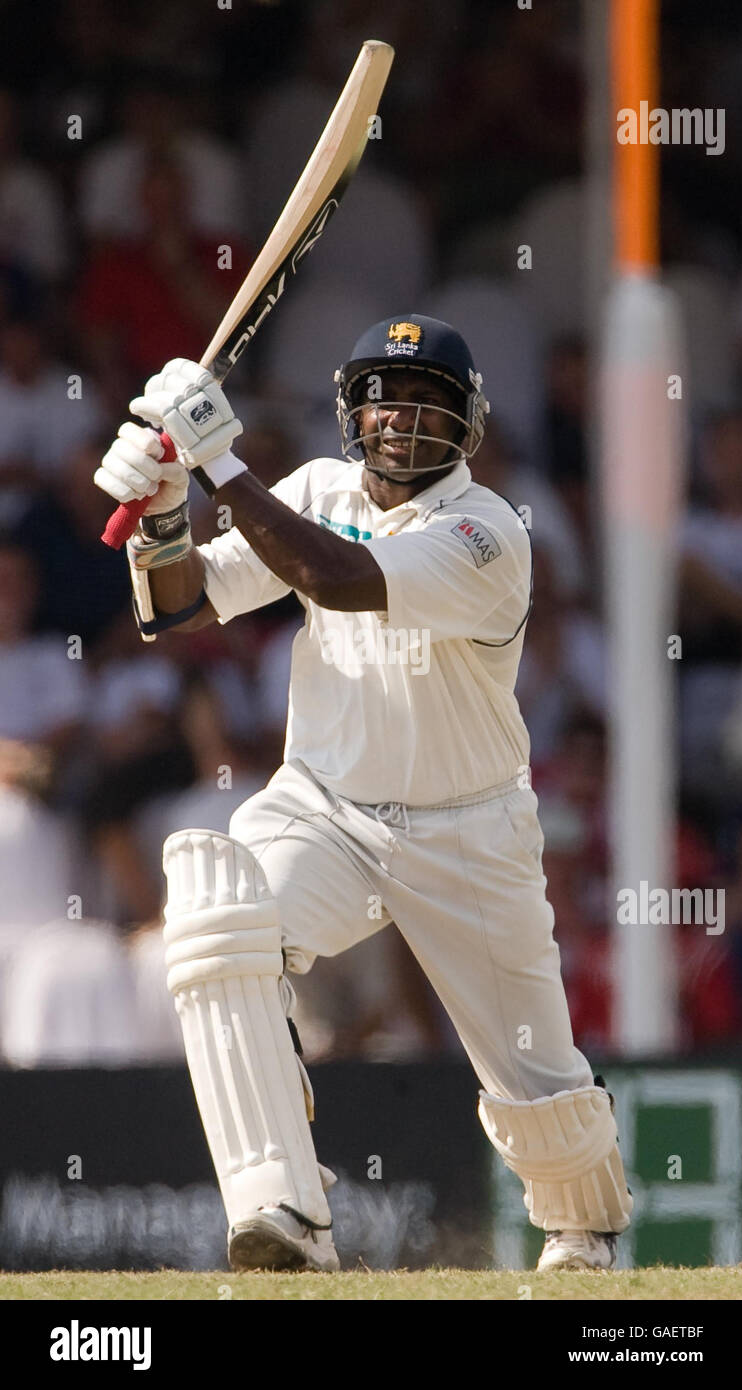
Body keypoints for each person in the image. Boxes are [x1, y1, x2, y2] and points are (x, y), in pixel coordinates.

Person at [94, 314, 632, 1274]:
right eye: (385, 400)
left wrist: (219, 466)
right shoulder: (313, 490)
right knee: (219, 911)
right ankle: (282, 1212)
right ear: (352, 413)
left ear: (467, 425)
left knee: (535, 1075)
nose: (400, 421)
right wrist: (169, 508)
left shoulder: (486, 531)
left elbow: (339, 578)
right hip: (325, 809)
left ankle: (584, 1228)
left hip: (468, 827)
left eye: (427, 403)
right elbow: (179, 602)